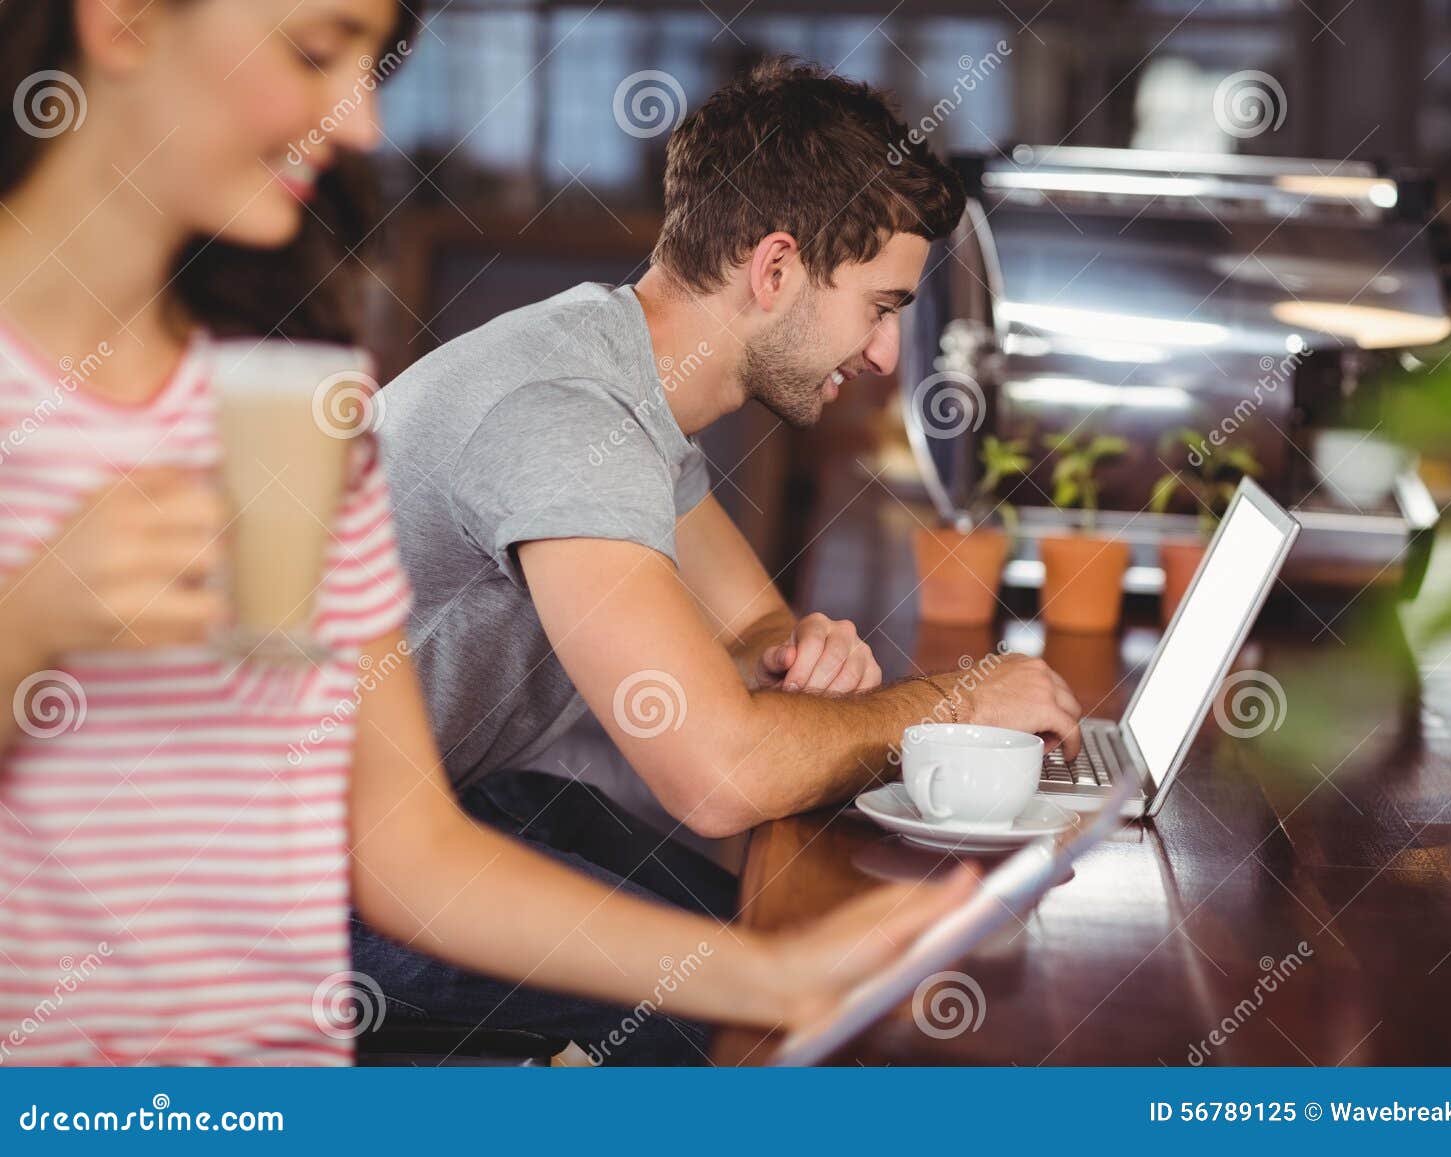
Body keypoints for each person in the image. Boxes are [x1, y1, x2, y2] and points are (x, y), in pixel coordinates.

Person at [0, 0, 975, 1067]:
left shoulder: (285, 393)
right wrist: (25, 628)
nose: (366, 125)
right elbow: (719, 774)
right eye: (317, 51)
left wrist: (773, 972)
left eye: (374, 67)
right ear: (125, 22)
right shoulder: (552, 402)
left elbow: (402, 846)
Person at [371, 58, 1085, 1058]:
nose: (884, 355)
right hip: (287, 878)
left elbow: (755, 630)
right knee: (742, 1012)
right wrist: (961, 699)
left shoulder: (621, 379)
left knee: (757, 929)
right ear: (776, 268)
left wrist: (786, 661)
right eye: (880, 305)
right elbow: (717, 778)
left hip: (445, 798)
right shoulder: (568, 418)